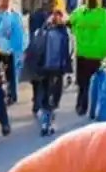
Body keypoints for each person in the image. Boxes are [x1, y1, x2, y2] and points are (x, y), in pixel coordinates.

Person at [25, 8, 72, 136]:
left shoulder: (42, 31)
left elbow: (35, 50)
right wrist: (67, 70)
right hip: (57, 69)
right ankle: (49, 121)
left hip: (44, 68)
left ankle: (46, 121)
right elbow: (68, 53)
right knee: (54, 96)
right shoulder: (64, 33)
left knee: (45, 95)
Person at [71, 0, 106, 117]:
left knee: (83, 82)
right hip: (99, 54)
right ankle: (96, 107)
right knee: (98, 83)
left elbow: (70, 21)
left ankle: (81, 105)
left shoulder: (79, 13)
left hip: (83, 53)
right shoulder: (105, 15)